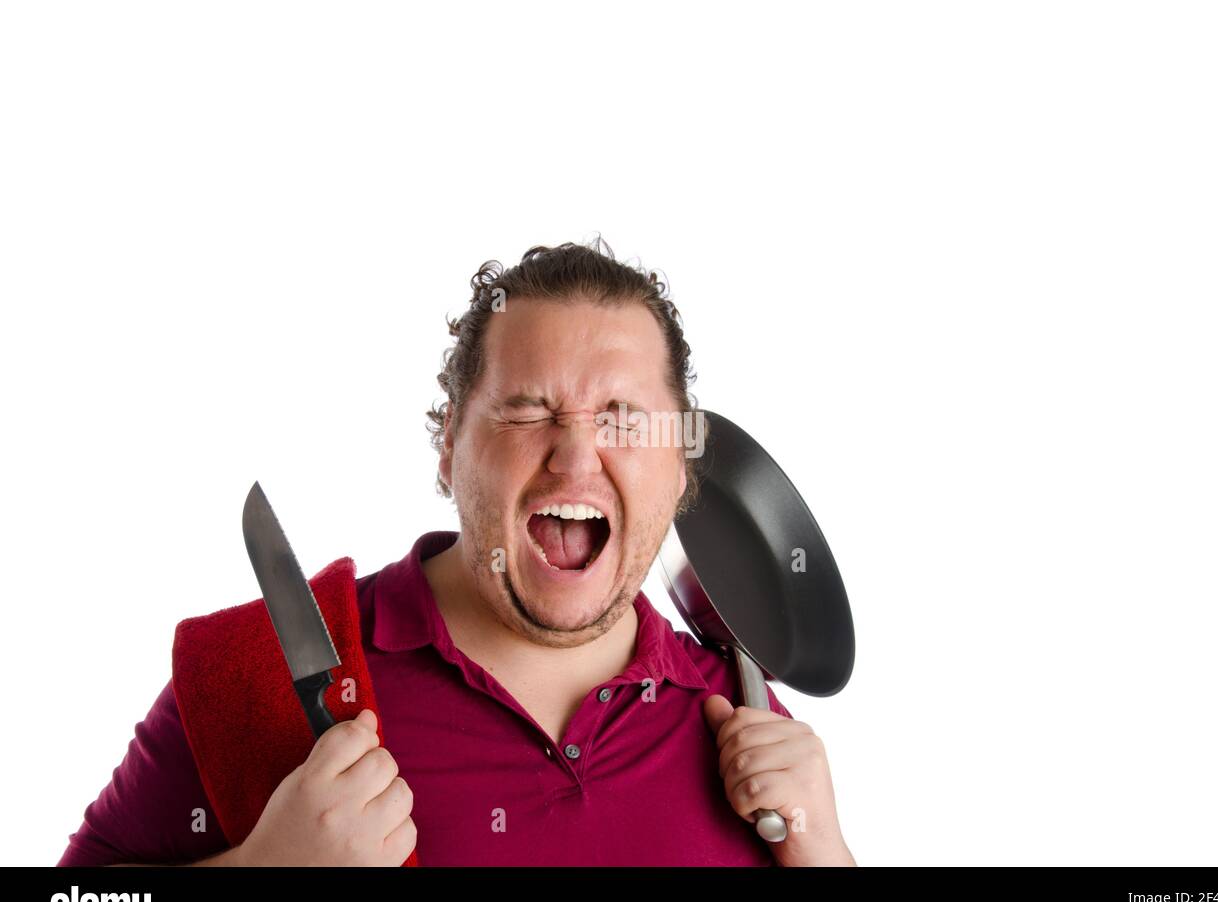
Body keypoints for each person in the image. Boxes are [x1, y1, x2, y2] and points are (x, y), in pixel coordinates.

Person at [57, 238, 855, 867]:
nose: (576, 459)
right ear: (448, 447)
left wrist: (826, 854)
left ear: (682, 469)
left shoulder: (743, 715)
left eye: (623, 418)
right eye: (526, 410)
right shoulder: (266, 672)